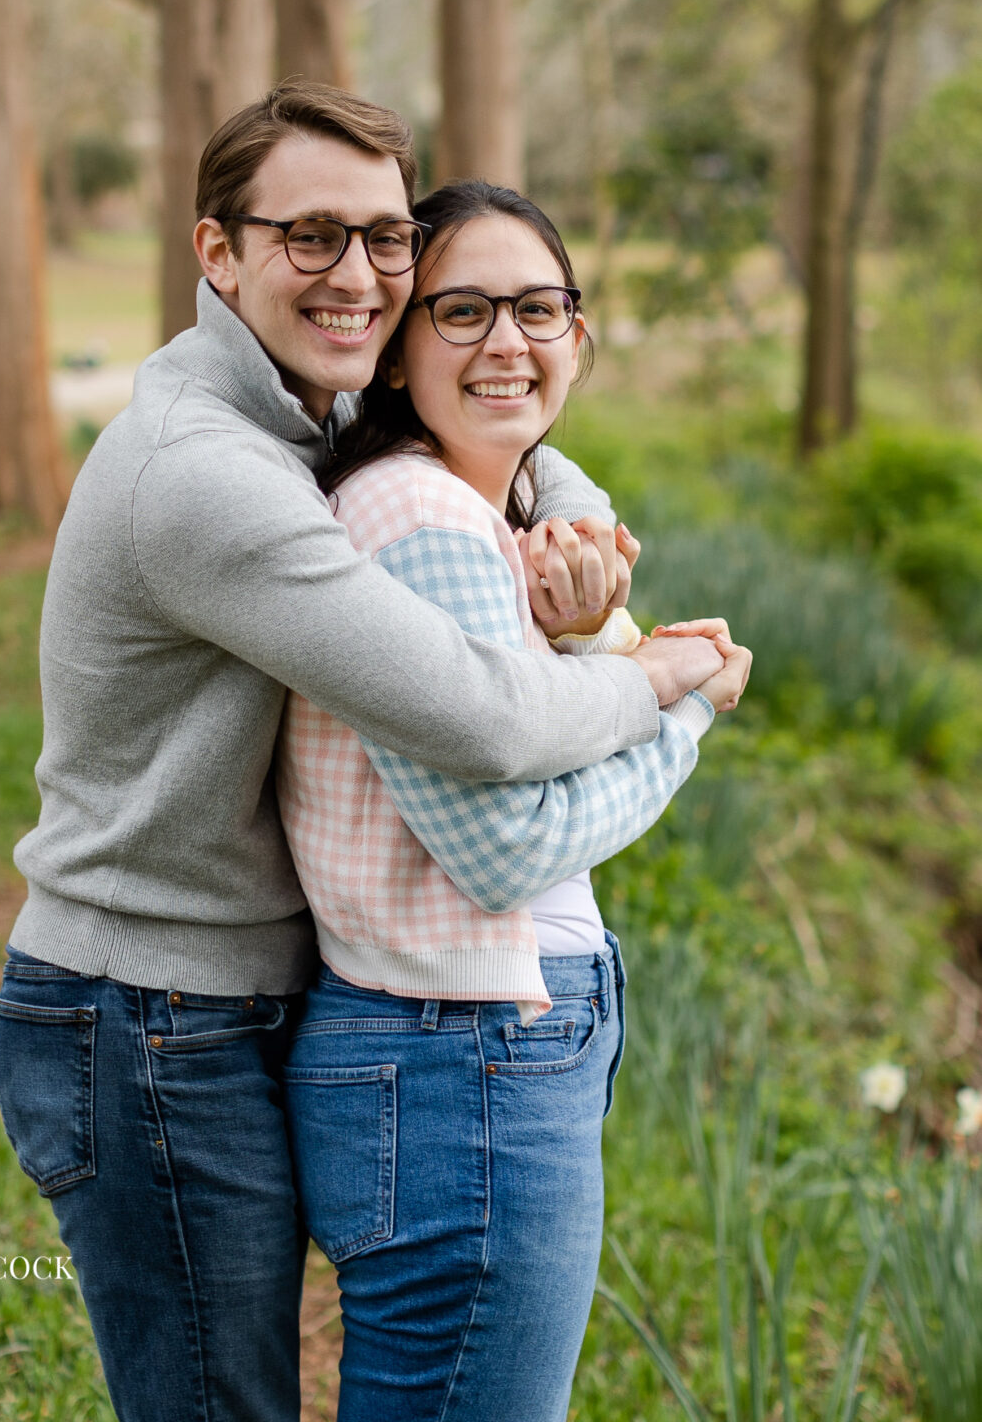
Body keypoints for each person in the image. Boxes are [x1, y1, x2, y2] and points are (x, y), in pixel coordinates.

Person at [0, 84, 727, 1422]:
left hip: (243, 992)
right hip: (142, 1006)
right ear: (217, 252)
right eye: (311, 234)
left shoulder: (307, 406)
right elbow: (488, 728)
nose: (360, 274)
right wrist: (662, 675)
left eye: (387, 238)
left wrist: (564, 521)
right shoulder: (209, 471)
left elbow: (506, 446)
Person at [278, 178, 752, 1422]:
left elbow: (546, 452)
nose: (508, 341)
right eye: (465, 310)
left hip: (453, 1048)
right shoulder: (428, 521)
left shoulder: (488, 498)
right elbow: (506, 847)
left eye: (538, 309)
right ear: (394, 349)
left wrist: (586, 574)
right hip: (465, 1056)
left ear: (580, 338)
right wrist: (685, 703)